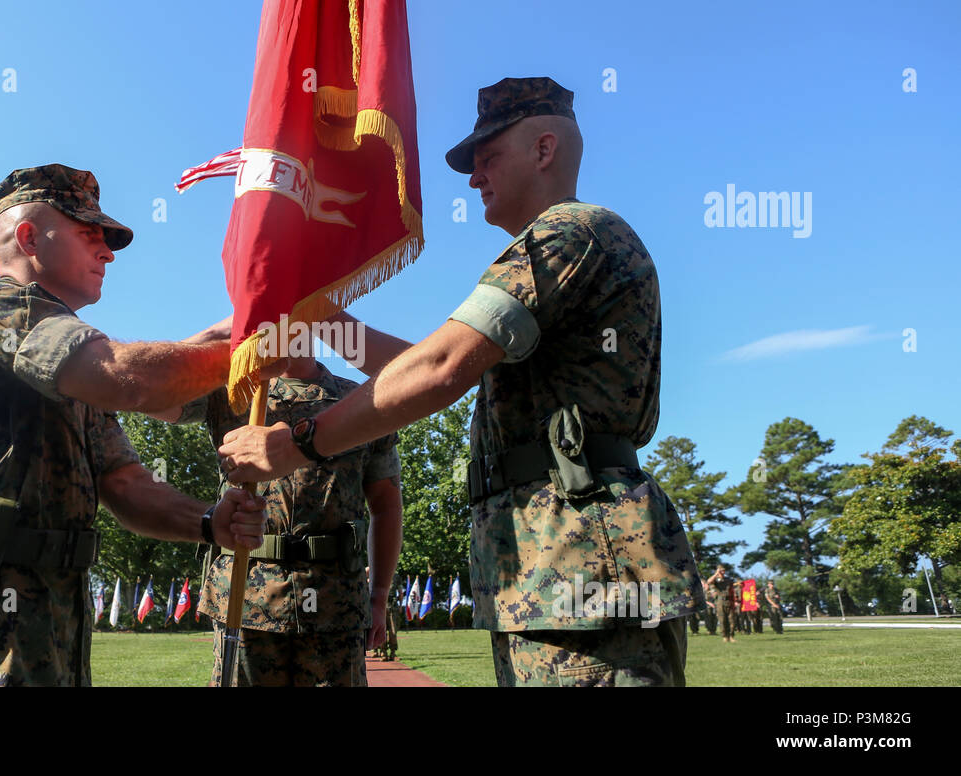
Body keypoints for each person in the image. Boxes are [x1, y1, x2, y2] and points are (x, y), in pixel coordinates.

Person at [219, 77, 704, 686]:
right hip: (560, 569)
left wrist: (297, 444)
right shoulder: (567, 242)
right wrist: (320, 317)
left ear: (544, 149)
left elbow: (443, 366)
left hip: (585, 572)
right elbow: (427, 361)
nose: (474, 178)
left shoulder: (570, 232)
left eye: (488, 157)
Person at [0, 163, 269, 687]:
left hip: (54, 611)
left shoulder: (75, 365)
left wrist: (211, 522)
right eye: (88, 233)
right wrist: (246, 353)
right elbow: (129, 379)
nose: (108, 252)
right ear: (28, 237)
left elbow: (125, 486)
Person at [149, 356, 404, 686]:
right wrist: (221, 346)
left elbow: (386, 505)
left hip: (334, 604)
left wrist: (379, 596)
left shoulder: (361, 400)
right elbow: (151, 397)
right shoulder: (232, 392)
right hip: (245, 598)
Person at [705, 566, 734, 643]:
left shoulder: (728, 580)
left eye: (723, 570)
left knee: (731, 619)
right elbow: (708, 581)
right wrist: (716, 574)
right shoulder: (716, 580)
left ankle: (731, 636)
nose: (722, 572)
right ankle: (725, 636)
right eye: (720, 571)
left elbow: (732, 588)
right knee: (722, 620)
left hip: (729, 600)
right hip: (720, 601)